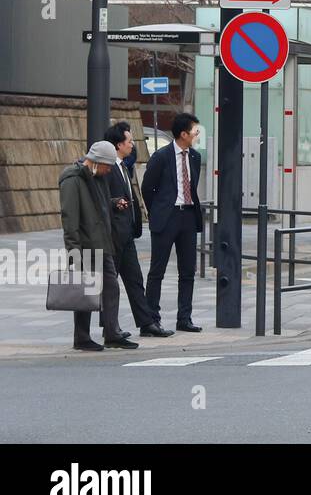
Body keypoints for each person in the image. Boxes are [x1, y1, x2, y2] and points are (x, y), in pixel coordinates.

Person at [59, 141, 133, 350]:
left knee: (111, 287)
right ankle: (81, 338)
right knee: (85, 292)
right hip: (85, 245)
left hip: (102, 242)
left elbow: (98, 204)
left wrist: (113, 203)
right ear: (96, 161)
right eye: (107, 166)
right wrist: (74, 252)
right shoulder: (72, 179)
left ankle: (112, 333)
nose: (109, 170)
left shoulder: (98, 177)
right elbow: (70, 218)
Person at [104, 124, 172, 338]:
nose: (132, 145)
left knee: (135, 280)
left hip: (128, 235)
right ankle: (110, 328)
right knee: (110, 284)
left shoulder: (123, 166)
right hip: (114, 235)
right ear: (118, 144)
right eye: (129, 141)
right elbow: (100, 199)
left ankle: (146, 323)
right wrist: (115, 203)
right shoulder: (108, 168)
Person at [140, 112, 204, 333]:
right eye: (195, 130)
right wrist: (157, 211)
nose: (197, 134)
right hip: (166, 218)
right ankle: (151, 319)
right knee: (157, 271)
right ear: (183, 134)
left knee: (188, 271)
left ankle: (184, 319)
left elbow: (193, 186)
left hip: (188, 216)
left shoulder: (195, 157)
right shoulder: (161, 156)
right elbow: (147, 188)